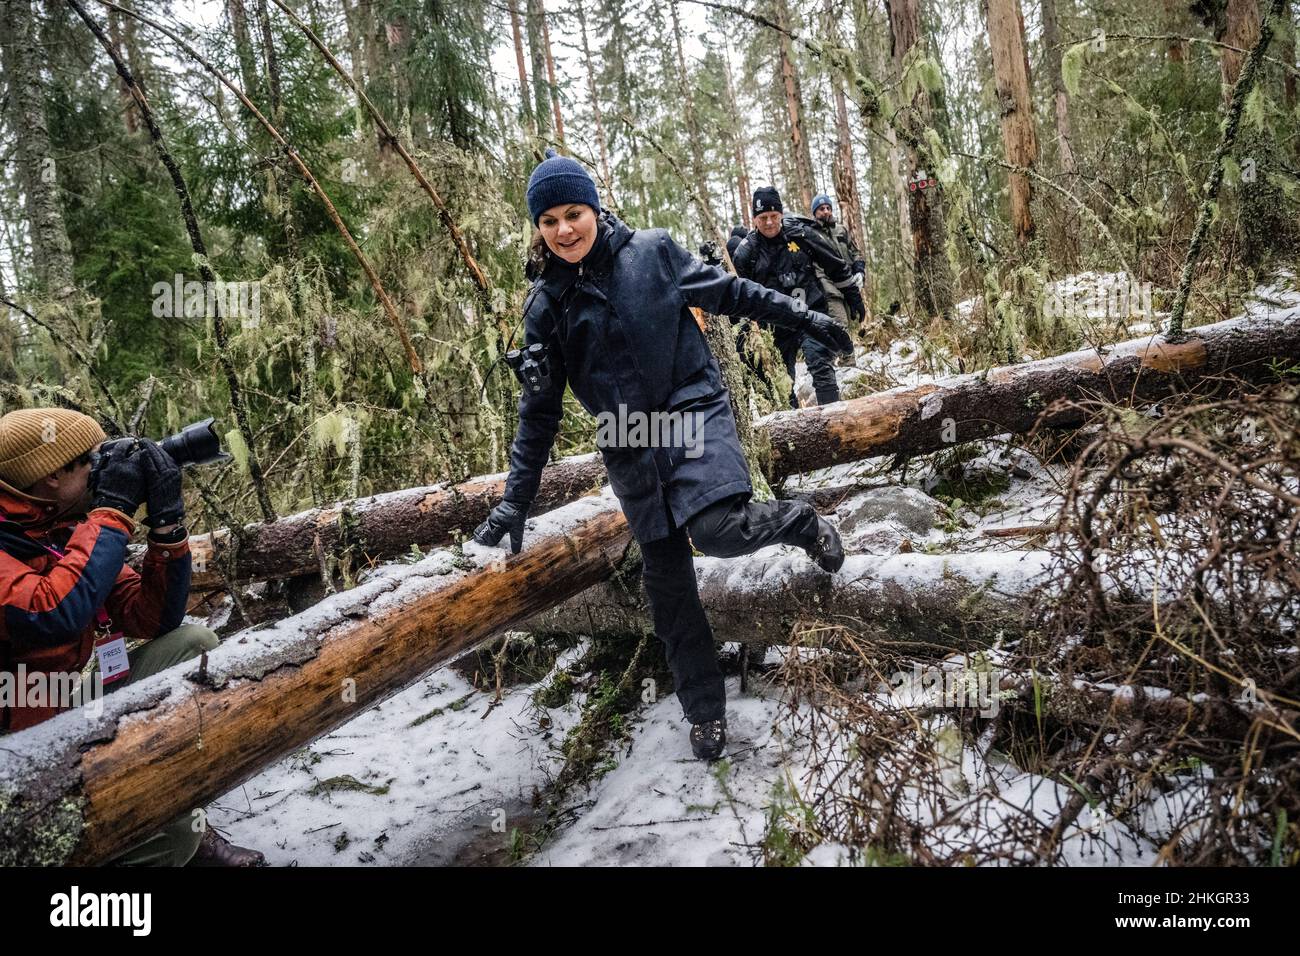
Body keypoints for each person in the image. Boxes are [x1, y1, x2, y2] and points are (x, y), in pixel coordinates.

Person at [474, 150, 850, 760]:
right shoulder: (545, 307)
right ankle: (704, 711)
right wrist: (516, 500)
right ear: (538, 228)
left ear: (594, 207)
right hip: (626, 437)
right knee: (667, 585)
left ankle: (802, 520)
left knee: (718, 529)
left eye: (575, 213)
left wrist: (806, 316)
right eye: (550, 221)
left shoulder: (651, 253)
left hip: (690, 408)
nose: (565, 230)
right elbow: (537, 413)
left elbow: (732, 293)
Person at [0, 408, 264, 866]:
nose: (102, 468)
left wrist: (167, 527)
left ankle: (163, 795)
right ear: (48, 478)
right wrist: (113, 512)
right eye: (90, 460)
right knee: (173, 838)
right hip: (15, 757)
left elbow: (149, 618)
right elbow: (52, 612)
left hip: (57, 708)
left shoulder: (57, 531)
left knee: (193, 644)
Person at [732, 187, 865, 407]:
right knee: (781, 381)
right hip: (774, 324)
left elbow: (835, 265)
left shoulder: (802, 235)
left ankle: (833, 421)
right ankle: (791, 429)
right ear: (754, 219)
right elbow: (742, 298)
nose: (769, 223)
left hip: (811, 312)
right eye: (763, 218)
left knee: (821, 366)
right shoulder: (746, 253)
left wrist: (854, 297)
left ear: (781, 214)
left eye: (774, 216)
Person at [810, 193, 867, 335]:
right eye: (821, 208)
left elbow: (855, 252)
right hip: (828, 288)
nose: (826, 211)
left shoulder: (841, 230)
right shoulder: (812, 234)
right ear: (814, 212)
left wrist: (859, 271)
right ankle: (846, 357)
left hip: (847, 284)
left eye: (828, 207)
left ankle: (841, 356)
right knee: (841, 326)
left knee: (848, 325)